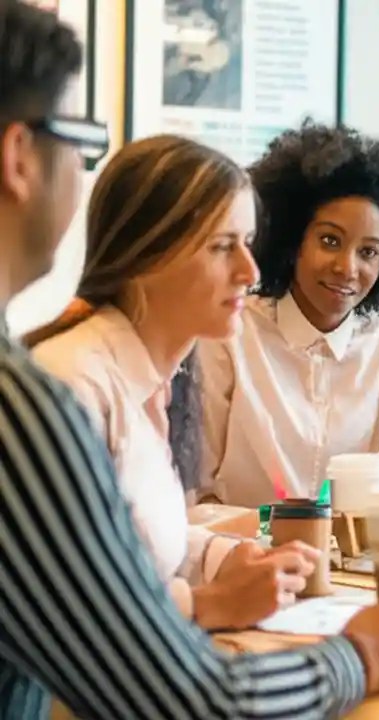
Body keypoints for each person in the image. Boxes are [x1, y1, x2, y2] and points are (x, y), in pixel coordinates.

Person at [0, 5, 379, 717]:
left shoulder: (124, 382)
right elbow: (172, 692)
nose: (250, 269)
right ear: (19, 158)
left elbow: (133, 569)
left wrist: (212, 573)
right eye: (225, 245)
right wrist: (365, 654)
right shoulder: (48, 398)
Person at [23, 134, 318, 630]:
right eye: (223, 247)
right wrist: (210, 604)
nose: (249, 271)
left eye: (247, 244)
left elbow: (131, 540)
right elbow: (68, 602)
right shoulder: (73, 385)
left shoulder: (153, 380)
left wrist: (221, 558)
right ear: (146, 255)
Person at [196, 121, 379, 508]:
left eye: (368, 252)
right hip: (243, 561)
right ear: (292, 239)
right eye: (330, 241)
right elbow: (193, 494)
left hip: (358, 567)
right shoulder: (229, 334)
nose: (348, 268)